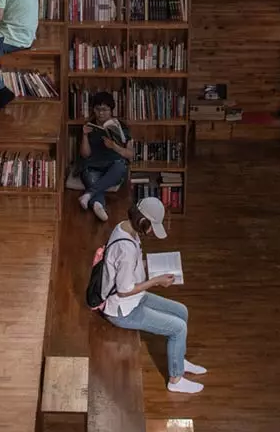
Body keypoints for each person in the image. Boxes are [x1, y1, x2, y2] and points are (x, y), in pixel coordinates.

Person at [98, 196, 207, 394]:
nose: (151, 232)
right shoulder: (126, 249)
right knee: (178, 328)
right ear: (143, 222)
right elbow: (123, 290)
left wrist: (153, 268)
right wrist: (156, 281)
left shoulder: (126, 228)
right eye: (151, 227)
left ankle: (178, 358)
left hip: (136, 298)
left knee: (181, 311)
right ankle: (175, 379)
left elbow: (129, 268)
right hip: (123, 309)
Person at [69, 91, 133, 221]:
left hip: (113, 166)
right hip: (92, 167)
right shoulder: (89, 126)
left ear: (111, 110)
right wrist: (85, 135)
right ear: (93, 109)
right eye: (98, 109)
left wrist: (114, 146)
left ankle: (89, 194)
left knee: (121, 166)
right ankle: (98, 204)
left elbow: (130, 154)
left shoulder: (121, 127)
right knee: (87, 173)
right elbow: (85, 155)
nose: (101, 113)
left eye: (105, 109)